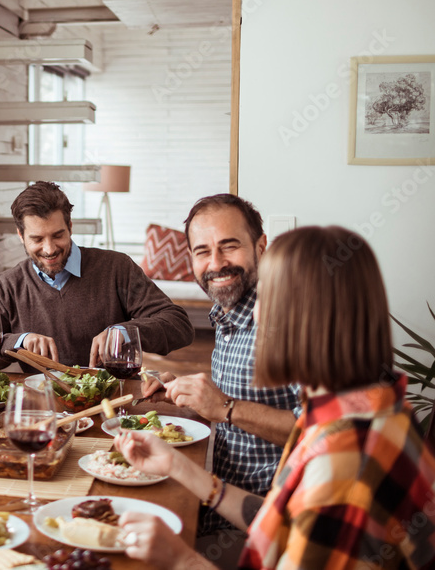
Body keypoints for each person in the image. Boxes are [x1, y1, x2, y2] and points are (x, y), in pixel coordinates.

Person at [115, 226, 435, 569]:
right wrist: (176, 465)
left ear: (310, 319)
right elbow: (282, 519)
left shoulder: (342, 462)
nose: (254, 314)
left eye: (267, 298)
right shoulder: (368, 405)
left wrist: (180, 559)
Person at [141, 195, 301, 556]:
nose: (216, 263)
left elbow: (325, 434)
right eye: (202, 251)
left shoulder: (288, 319)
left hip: (270, 527)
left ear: (261, 246)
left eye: (229, 247)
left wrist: (225, 407)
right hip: (220, 504)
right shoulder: (229, 312)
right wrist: (185, 391)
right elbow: (235, 404)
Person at [0, 181, 193, 369]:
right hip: (41, 409)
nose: (50, 249)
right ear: (21, 236)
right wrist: (18, 342)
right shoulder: (7, 286)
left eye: (57, 235)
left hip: (113, 401)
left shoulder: (116, 267)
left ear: (70, 227)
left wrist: (124, 333)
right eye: (37, 239)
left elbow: (179, 326)